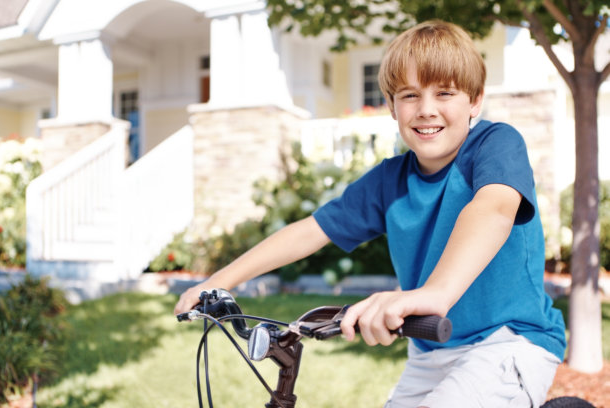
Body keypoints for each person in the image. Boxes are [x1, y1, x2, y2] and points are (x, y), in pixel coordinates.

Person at [174, 20, 566, 407]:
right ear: (392, 107)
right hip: (429, 353)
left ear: (475, 100)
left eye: (444, 93)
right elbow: (311, 230)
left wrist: (434, 293)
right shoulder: (388, 181)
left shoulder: (494, 145)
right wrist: (216, 283)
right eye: (410, 95)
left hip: (508, 340)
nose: (426, 110)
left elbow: (493, 209)